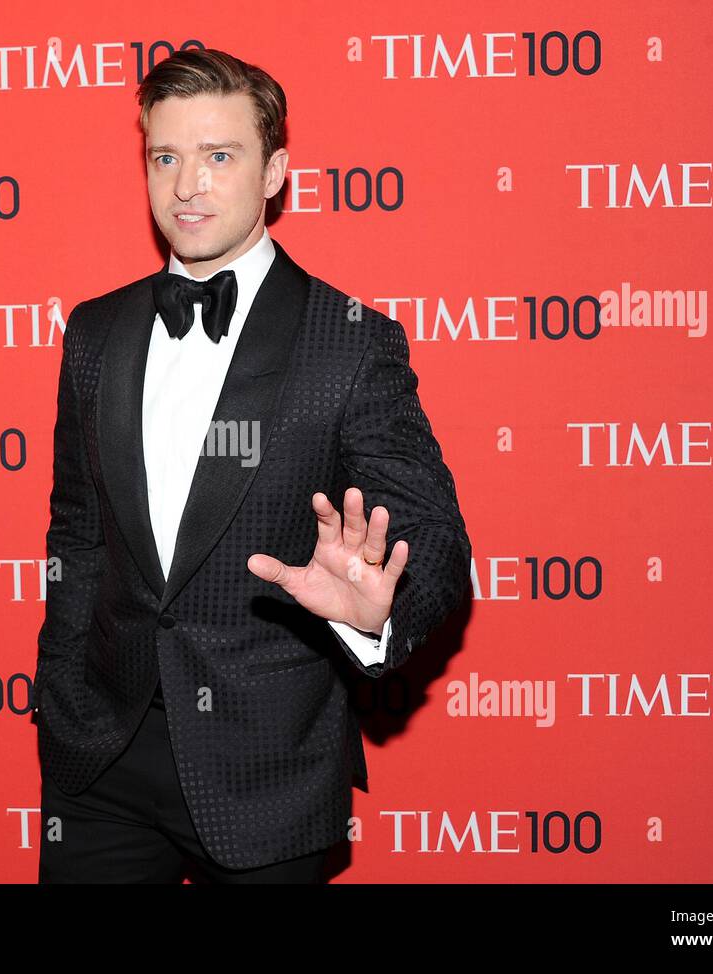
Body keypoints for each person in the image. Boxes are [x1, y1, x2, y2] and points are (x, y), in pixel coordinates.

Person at [34, 47, 471, 883]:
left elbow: (433, 535)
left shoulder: (348, 342)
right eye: (166, 157)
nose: (187, 185)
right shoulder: (96, 333)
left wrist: (376, 610)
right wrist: (61, 696)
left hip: (266, 767)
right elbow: (78, 532)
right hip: (101, 761)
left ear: (274, 172)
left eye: (218, 156)